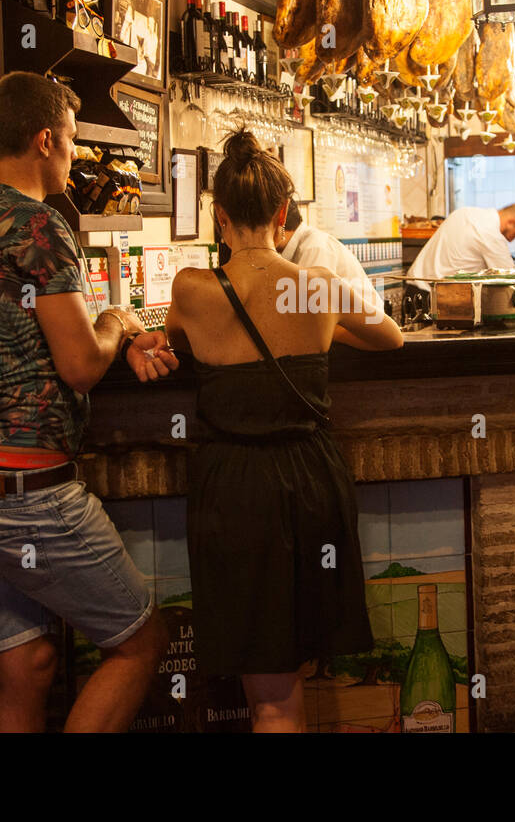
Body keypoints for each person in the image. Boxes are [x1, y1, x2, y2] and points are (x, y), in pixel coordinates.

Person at [0, 71, 176, 732]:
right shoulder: (40, 226)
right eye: (70, 140)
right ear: (44, 140)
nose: (74, 156)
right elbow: (79, 366)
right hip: (27, 493)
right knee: (141, 643)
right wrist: (119, 323)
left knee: (27, 666)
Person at [165, 129, 404, 731]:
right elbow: (391, 337)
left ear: (217, 213)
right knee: (291, 673)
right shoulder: (316, 287)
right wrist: (323, 329)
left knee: (269, 693)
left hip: (238, 494)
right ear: (281, 213)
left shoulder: (192, 290)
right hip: (313, 484)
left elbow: (174, 340)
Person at [276, 201, 386, 318]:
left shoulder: (314, 247)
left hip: (368, 328)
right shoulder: (299, 247)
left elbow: (311, 315)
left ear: (279, 220)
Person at [406, 203, 515, 291]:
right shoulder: (491, 233)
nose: (512, 240)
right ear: (511, 222)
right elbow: (510, 278)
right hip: (431, 298)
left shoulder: (465, 212)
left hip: (414, 289)